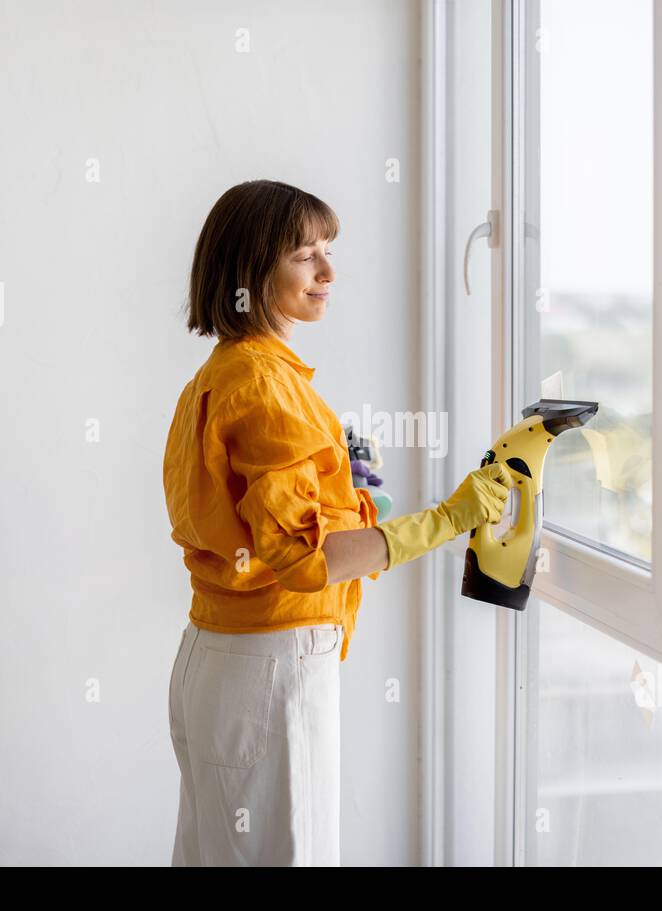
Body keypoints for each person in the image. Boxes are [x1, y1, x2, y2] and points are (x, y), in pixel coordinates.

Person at [162, 179, 513, 866]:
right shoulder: (268, 388)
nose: (328, 272)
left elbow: (243, 517)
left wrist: (344, 493)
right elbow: (305, 561)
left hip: (216, 658)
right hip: (270, 666)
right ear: (251, 272)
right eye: (305, 254)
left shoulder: (225, 375)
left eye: (328, 250)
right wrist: (449, 518)